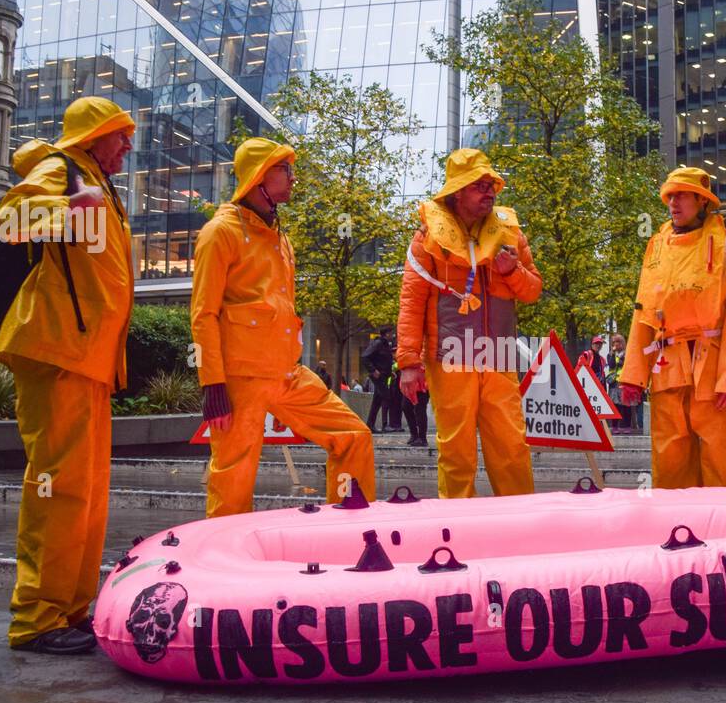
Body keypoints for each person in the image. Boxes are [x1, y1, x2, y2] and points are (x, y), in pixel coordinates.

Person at [0, 96, 136, 655]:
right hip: (57, 351)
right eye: (120, 133)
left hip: (86, 358)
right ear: (94, 135)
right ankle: (36, 617)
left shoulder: (99, 183)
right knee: (57, 486)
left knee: (85, 490)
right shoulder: (64, 169)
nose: (127, 143)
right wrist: (72, 209)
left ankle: (70, 608)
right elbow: (10, 221)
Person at [191, 137, 375, 514]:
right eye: (284, 169)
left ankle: (347, 529)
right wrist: (212, 384)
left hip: (287, 373)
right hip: (239, 379)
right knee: (232, 478)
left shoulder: (280, 238)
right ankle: (224, 566)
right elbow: (203, 314)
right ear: (260, 176)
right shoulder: (220, 232)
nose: (293, 177)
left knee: (353, 435)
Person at [397, 148, 541, 497]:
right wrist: (408, 363)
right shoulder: (426, 239)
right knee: (456, 450)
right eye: (479, 185)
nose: (489, 191)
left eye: (491, 183)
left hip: (499, 354)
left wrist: (513, 270)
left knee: (511, 447)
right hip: (450, 356)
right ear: (458, 191)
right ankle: (457, 528)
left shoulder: (511, 236)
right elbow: (411, 302)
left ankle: (520, 525)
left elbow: (533, 290)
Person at [618, 166, 726, 488]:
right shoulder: (656, 251)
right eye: (669, 196)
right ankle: (673, 527)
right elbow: (643, 315)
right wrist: (634, 376)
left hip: (711, 375)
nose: (673, 203)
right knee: (669, 466)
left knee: (721, 465)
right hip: (667, 370)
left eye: (681, 195)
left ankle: (725, 530)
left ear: (702, 201)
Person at [362, 325, 402, 433]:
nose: (392, 335)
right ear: (386, 334)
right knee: (387, 397)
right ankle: (385, 425)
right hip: (379, 376)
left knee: (377, 401)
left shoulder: (385, 344)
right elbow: (365, 357)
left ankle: (370, 425)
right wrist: (373, 370)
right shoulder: (378, 343)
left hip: (384, 375)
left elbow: (385, 361)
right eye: (391, 333)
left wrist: (390, 373)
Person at [605, 332, 633, 433]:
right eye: (614, 342)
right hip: (614, 383)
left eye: (618, 342)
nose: (616, 344)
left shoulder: (628, 353)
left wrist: (622, 360)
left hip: (625, 381)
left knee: (626, 405)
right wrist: (613, 353)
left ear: (622, 343)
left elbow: (627, 364)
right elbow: (611, 365)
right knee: (615, 406)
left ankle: (626, 426)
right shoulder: (610, 354)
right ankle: (615, 426)